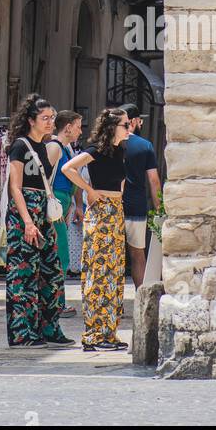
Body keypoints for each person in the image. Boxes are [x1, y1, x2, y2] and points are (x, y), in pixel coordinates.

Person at [3, 94, 74, 349]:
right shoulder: (19, 146)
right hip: (25, 215)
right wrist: (27, 222)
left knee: (51, 273)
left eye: (52, 118)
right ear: (31, 120)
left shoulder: (46, 146)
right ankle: (22, 332)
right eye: (45, 118)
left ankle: (49, 327)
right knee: (24, 276)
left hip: (42, 211)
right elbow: (16, 187)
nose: (50, 122)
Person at [62, 107, 131, 352]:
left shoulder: (121, 151)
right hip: (101, 212)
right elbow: (68, 168)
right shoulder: (96, 150)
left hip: (115, 212)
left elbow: (121, 179)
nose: (129, 128)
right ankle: (94, 333)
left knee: (113, 272)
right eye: (125, 124)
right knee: (99, 271)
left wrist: (118, 196)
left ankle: (109, 332)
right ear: (113, 127)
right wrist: (89, 191)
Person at [45, 110, 83, 315]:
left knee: (62, 253)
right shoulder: (55, 147)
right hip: (56, 204)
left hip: (62, 203)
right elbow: (45, 179)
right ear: (67, 127)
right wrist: (52, 208)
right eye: (78, 126)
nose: (80, 131)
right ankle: (55, 302)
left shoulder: (66, 148)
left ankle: (57, 300)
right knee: (59, 253)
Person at [120, 103, 160, 289]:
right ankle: (141, 297)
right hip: (136, 205)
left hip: (112, 205)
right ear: (134, 121)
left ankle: (113, 302)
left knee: (112, 254)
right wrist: (159, 208)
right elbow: (153, 180)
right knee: (137, 254)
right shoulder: (145, 146)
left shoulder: (108, 143)